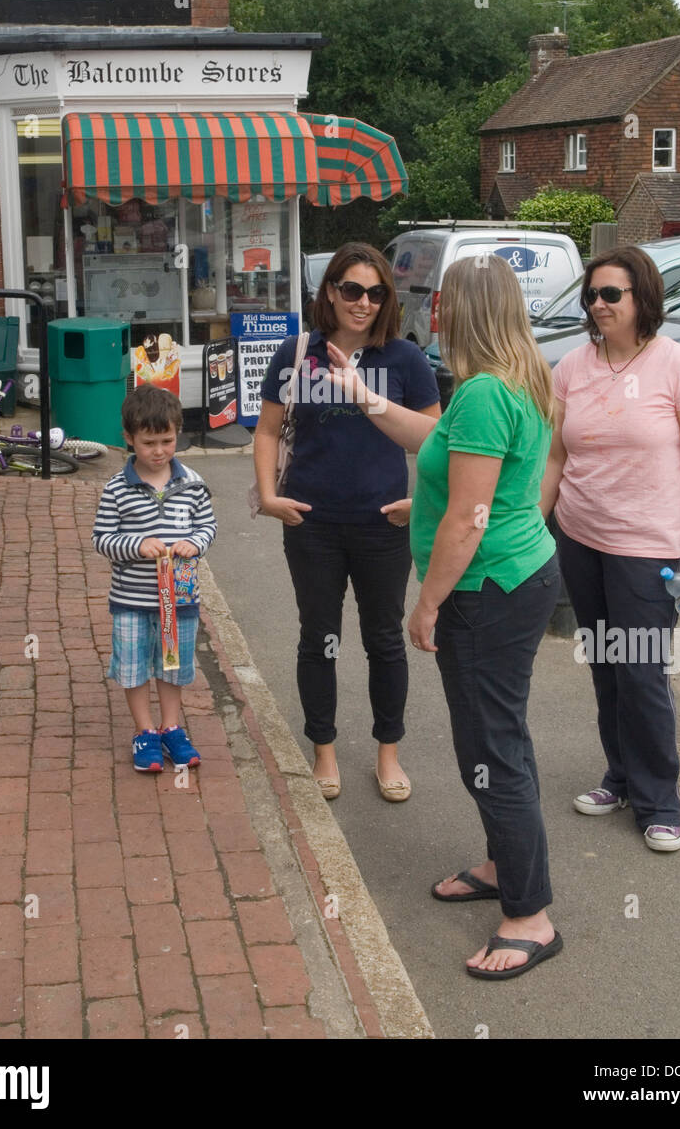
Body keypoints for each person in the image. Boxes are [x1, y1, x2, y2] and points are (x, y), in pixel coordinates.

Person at [327, 254, 563, 980]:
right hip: (508, 578)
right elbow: (440, 451)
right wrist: (363, 395)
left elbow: (470, 513)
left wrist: (425, 601)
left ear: (465, 309)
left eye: (444, 300)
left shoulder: (487, 392)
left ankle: (530, 917)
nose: (434, 311)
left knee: (492, 747)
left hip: (487, 588)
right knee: (495, 737)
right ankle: (503, 862)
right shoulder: (501, 381)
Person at [540, 246, 680, 852]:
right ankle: (619, 776)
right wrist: (533, 527)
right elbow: (557, 457)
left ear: (642, 297)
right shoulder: (572, 366)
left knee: (642, 671)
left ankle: (658, 801)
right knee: (603, 663)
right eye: (591, 295)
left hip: (648, 548)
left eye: (610, 294)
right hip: (580, 538)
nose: (597, 304)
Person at [254, 242, 440, 802]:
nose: (363, 302)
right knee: (320, 637)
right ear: (330, 291)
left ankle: (389, 752)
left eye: (376, 292)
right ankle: (324, 750)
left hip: (383, 525)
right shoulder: (297, 353)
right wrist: (268, 496)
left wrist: (420, 502)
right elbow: (267, 431)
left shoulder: (404, 359)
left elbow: (438, 443)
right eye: (352, 290)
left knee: (385, 640)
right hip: (312, 523)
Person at [92, 385, 217, 772]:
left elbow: (207, 526)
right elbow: (102, 539)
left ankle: (171, 727)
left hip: (178, 601)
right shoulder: (116, 488)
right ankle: (144, 732)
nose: (159, 450)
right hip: (131, 600)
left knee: (172, 665)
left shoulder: (193, 482)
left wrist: (192, 544)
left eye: (167, 440)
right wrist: (135, 544)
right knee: (131, 666)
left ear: (178, 433)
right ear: (129, 439)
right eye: (149, 443)